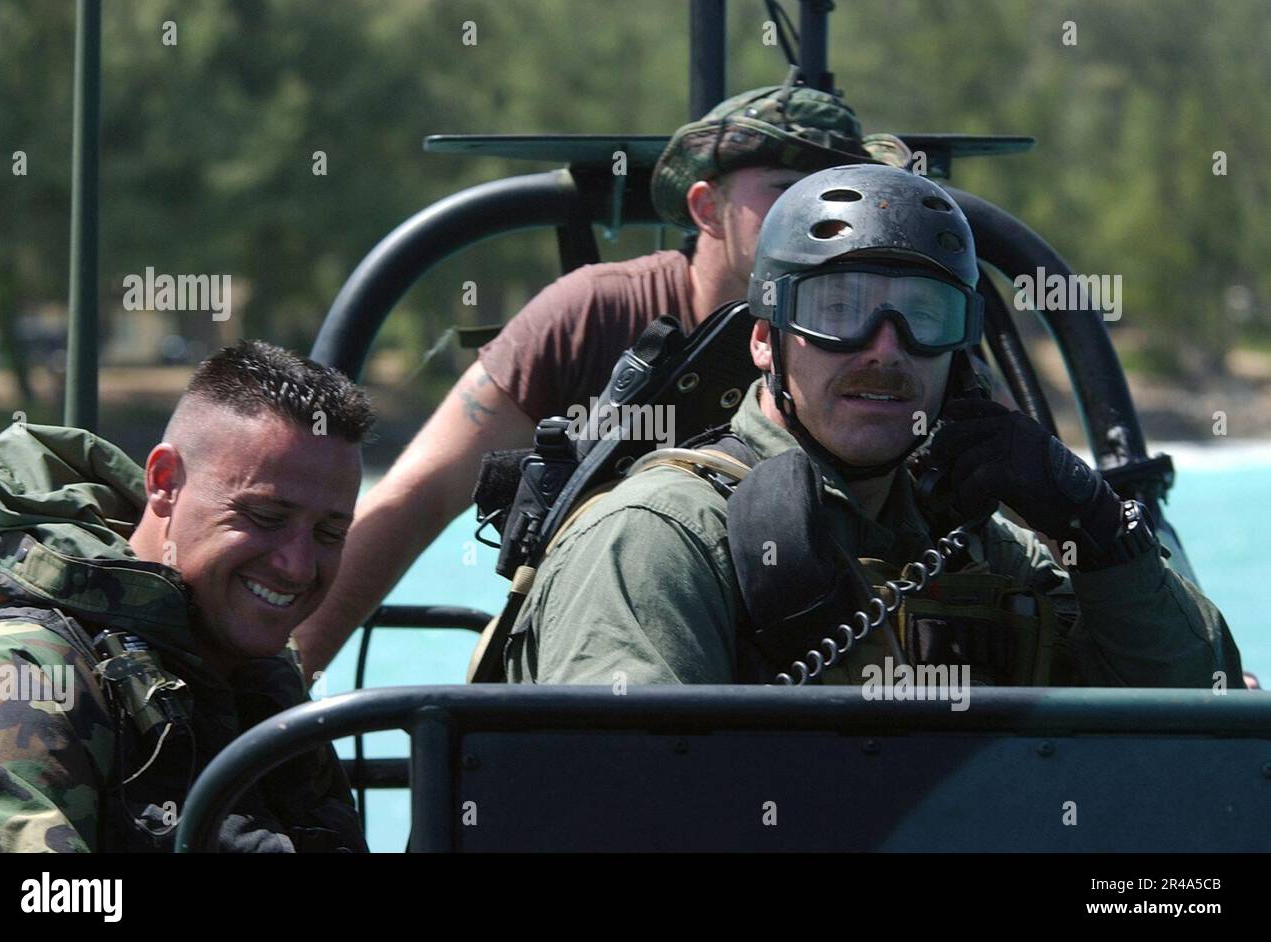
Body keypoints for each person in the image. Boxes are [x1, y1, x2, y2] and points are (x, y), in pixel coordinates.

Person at [503, 164, 1242, 688]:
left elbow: (1198, 704)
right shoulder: (659, 537)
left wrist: (1099, 529)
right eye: (838, 309)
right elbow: (615, 801)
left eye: (923, 316)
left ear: (960, 349)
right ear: (765, 337)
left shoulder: (982, 547)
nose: (884, 349)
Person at [292, 81, 914, 678]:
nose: (821, 218)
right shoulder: (594, 316)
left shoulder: (902, 341)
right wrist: (277, 694)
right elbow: (414, 500)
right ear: (707, 208)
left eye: (839, 194)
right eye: (786, 190)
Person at [0, 340, 373, 852]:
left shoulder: (258, 675)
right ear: (164, 482)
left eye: (329, 534)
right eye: (265, 518)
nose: (297, 566)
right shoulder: (25, 675)